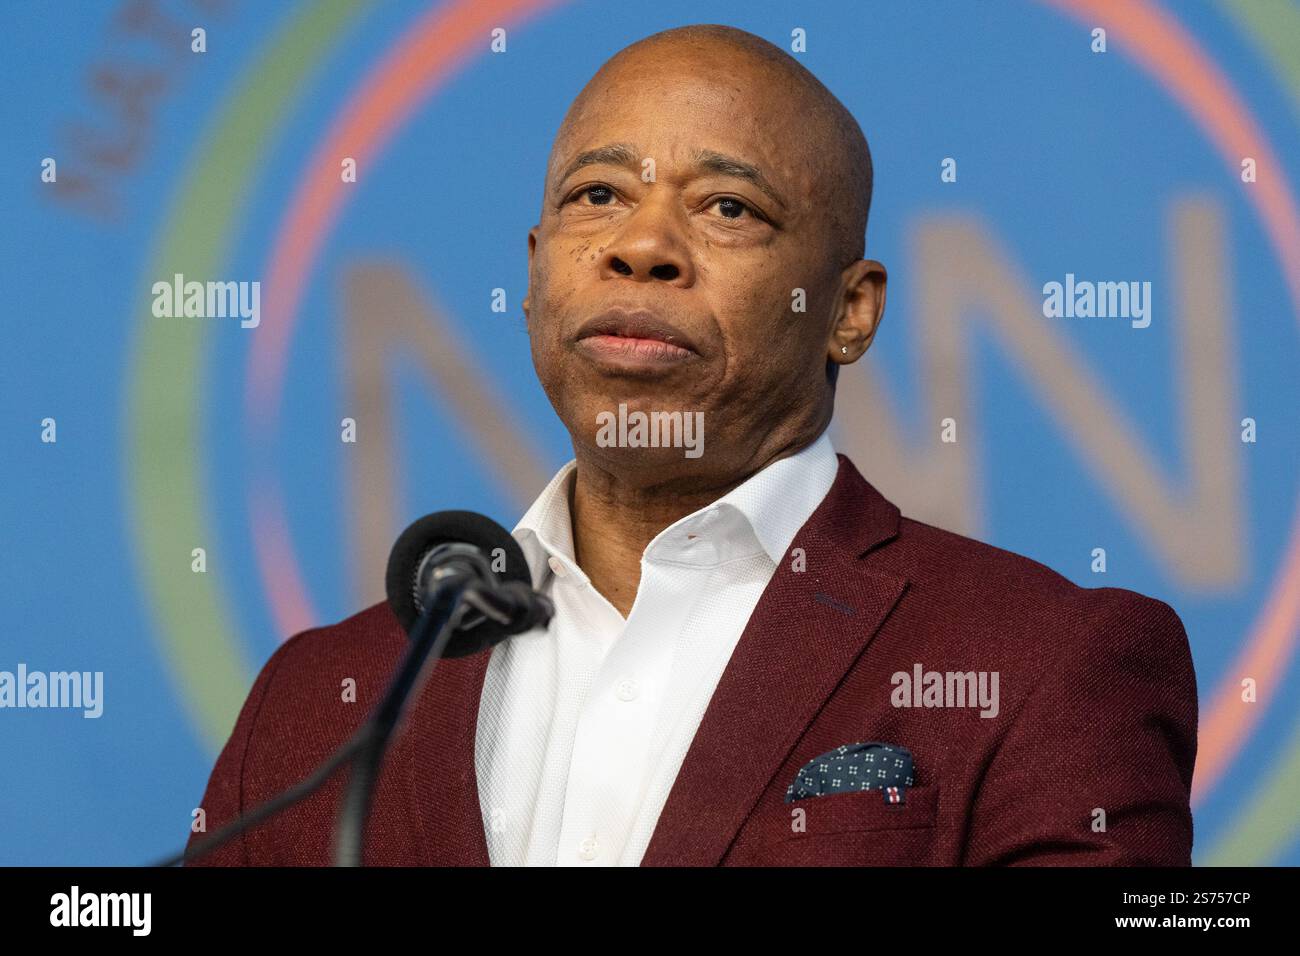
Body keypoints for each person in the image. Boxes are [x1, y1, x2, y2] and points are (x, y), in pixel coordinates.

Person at [186, 23, 1196, 866]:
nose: (641, 245)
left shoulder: (1043, 665)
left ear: (849, 309)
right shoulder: (316, 700)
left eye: (727, 208)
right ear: (536, 275)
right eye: (597, 196)